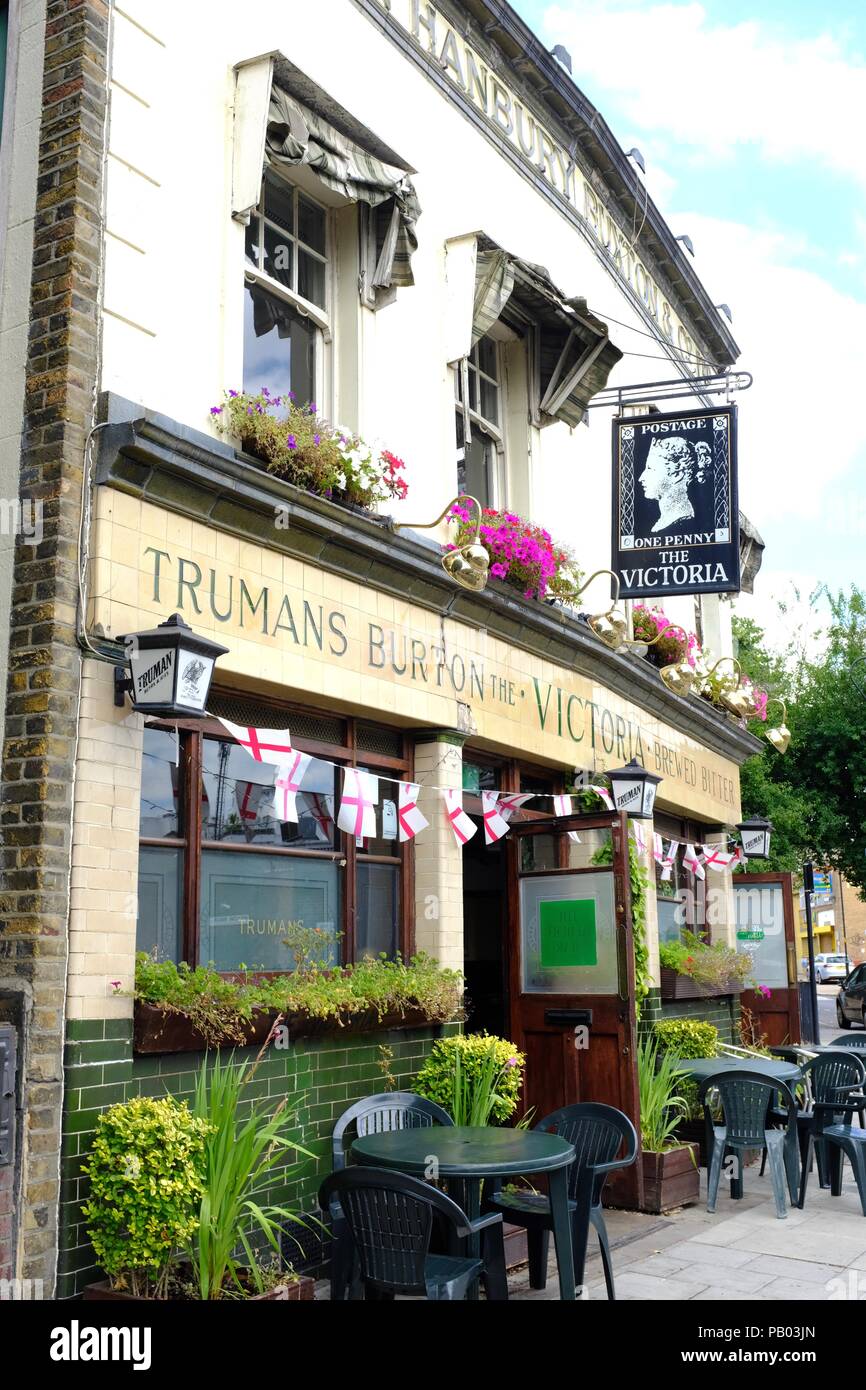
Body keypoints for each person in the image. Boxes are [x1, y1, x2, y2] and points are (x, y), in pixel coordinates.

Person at [638, 435, 711, 534]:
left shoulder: (683, 523)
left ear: (677, 474)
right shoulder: (664, 522)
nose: (641, 478)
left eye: (651, 469)